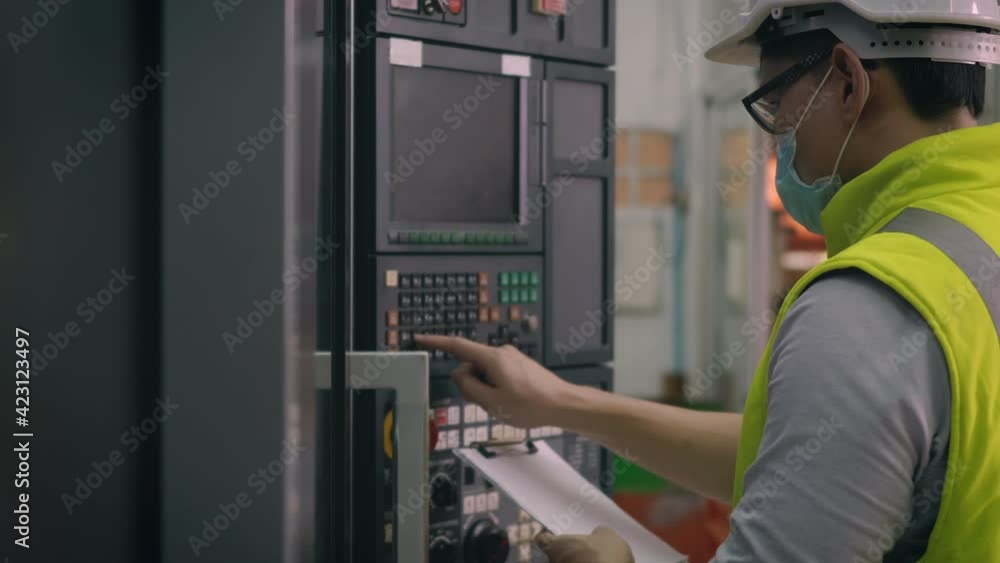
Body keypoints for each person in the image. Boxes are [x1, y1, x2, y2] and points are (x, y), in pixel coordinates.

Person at [418, 1, 1000, 561]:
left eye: (776, 105)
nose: (775, 139)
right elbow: (820, 462)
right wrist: (563, 404)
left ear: (847, 82)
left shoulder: (867, 305)